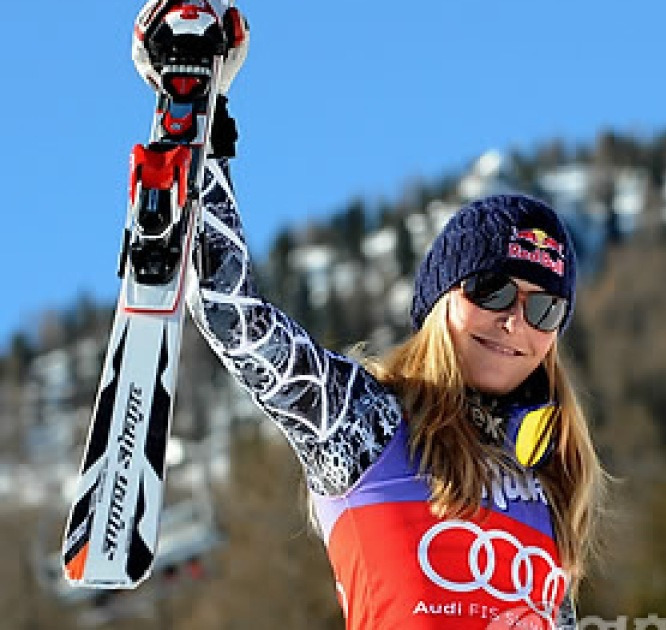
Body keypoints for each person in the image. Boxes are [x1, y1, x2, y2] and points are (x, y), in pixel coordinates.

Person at [133, 2, 608, 628]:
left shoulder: (550, 474)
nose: (515, 322)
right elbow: (234, 316)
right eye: (492, 291)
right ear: (440, 301)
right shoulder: (365, 424)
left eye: (545, 308)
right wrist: (199, 125)